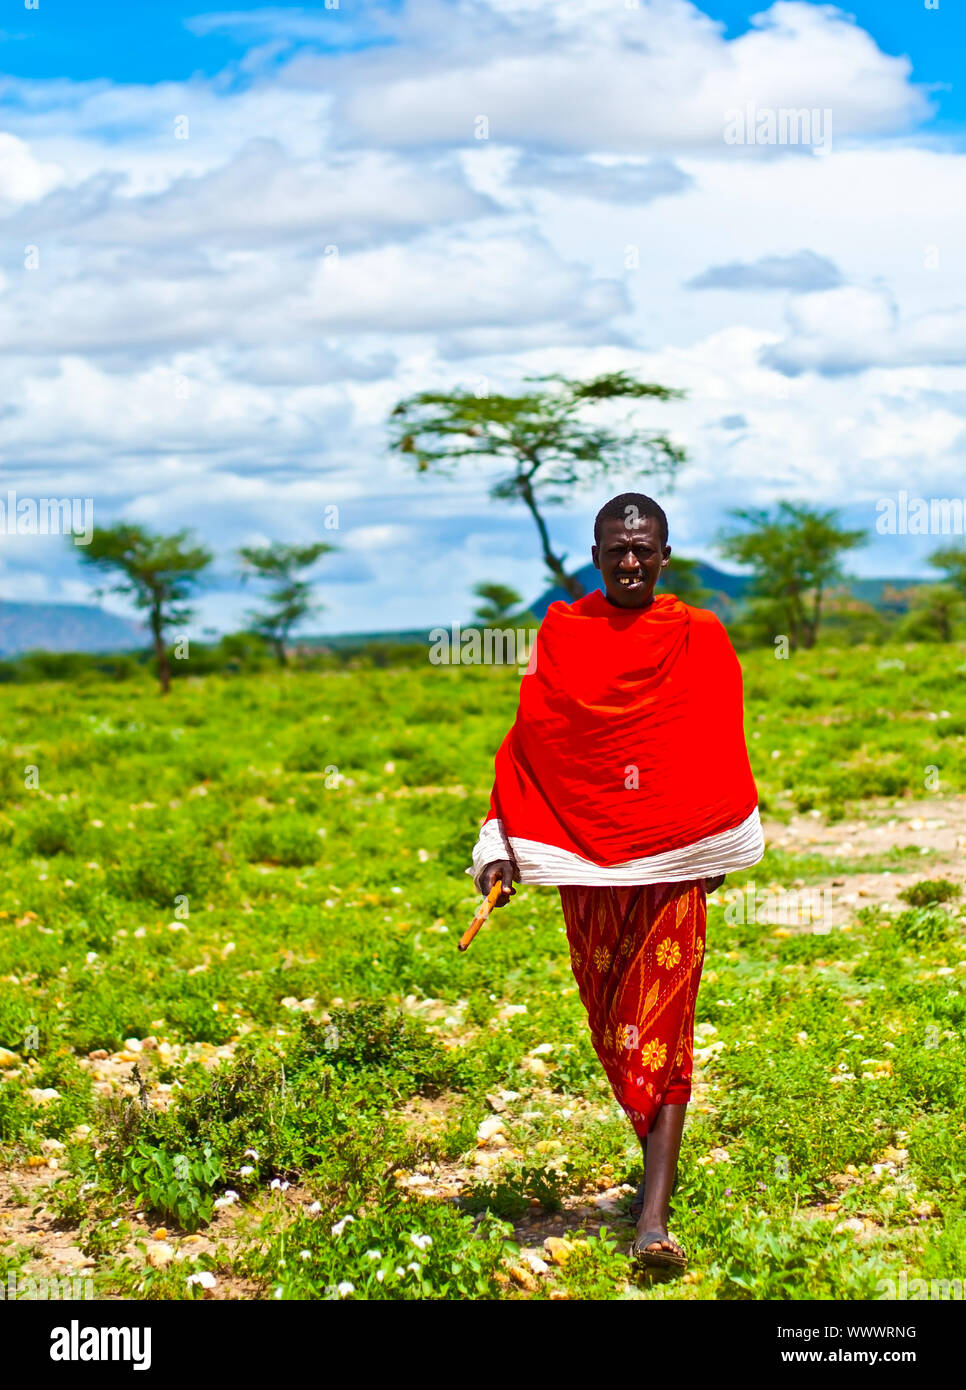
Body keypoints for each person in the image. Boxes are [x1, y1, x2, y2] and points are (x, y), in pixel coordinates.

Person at [470, 492, 764, 1276]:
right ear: (593, 556)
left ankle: (652, 1220)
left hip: (671, 860)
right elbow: (532, 747)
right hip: (585, 863)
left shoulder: (699, 633)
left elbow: (716, 734)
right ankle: (656, 1170)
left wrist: (713, 834)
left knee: (665, 1024)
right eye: (615, 548)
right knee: (615, 1025)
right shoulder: (562, 634)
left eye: (644, 548)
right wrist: (498, 843)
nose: (630, 561)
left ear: (666, 554)